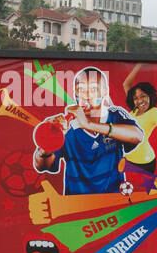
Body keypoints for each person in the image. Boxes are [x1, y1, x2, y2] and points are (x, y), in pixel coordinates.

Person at [34, 67, 144, 195]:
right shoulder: (66, 126)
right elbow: (41, 166)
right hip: (77, 207)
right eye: (81, 90)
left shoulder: (116, 115)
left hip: (114, 205)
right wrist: (47, 145)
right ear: (75, 93)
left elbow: (137, 135)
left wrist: (88, 124)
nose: (86, 96)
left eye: (93, 89)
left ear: (104, 92)